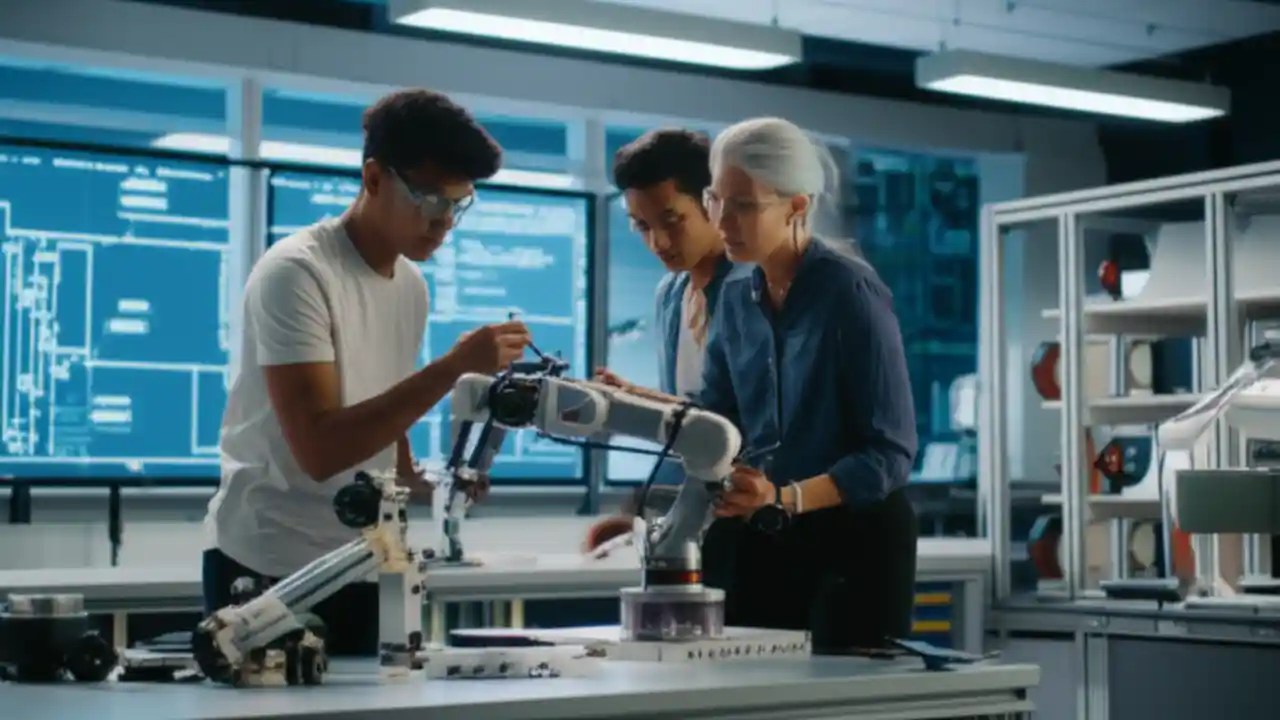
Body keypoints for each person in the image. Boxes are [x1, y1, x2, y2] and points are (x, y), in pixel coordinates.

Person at [202, 89, 531, 655]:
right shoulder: (298, 273)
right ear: (374, 178)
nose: (443, 221)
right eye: (427, 197)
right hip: (270, 566)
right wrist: (453, 368)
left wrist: (425, 481)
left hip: (360, 560)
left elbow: (382, 406)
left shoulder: (409, 284)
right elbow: (320, 449)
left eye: (458, 202)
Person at [610, 117, 920, 652]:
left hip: (852, 535)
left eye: (745, 206)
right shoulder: (736, 296)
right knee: (743, 684)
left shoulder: (849, 293)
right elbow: (718, 418)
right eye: (716, 201)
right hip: (766, 525)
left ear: (797, 207)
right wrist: (617, 407)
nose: (724, 222)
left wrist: (783, 495)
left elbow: (888, 453)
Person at [583, 128, 738, 550]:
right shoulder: (670, 295)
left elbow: (746, 423)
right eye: (642, 227)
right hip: (693, 510)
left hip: (746, 508)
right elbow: (692, 415)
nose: (659, 242)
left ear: (712, 203)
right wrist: (633, 400)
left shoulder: (752, 292)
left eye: (671, 221)